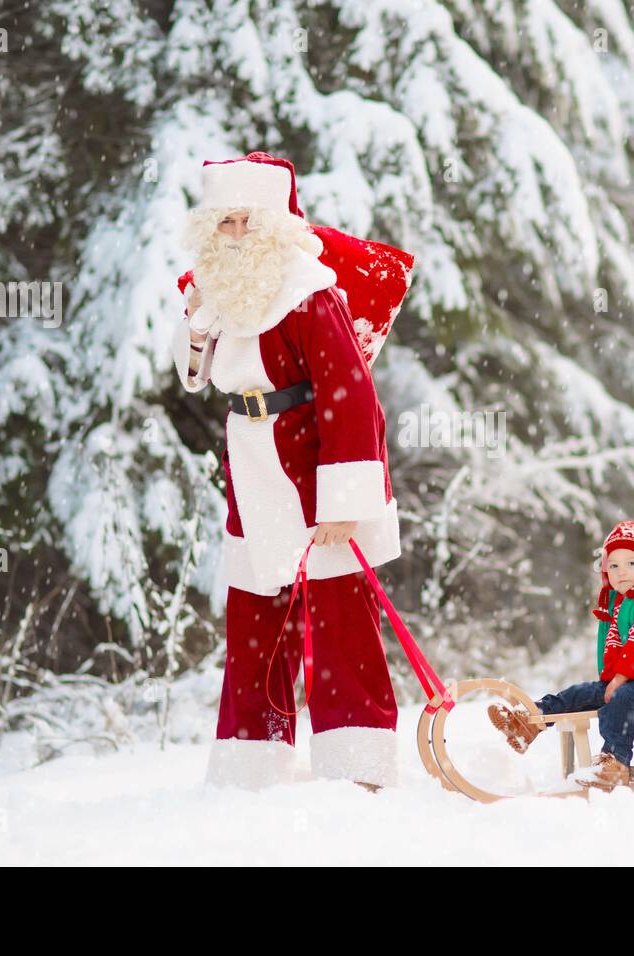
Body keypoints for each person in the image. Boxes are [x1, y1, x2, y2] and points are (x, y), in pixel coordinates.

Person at [172, 152, 415, 791]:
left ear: (274, 222)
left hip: (313, 461)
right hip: (250, 463)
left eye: (246, 222)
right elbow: (195, 374)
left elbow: (351, 394)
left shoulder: (308, 292)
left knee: (339, 614)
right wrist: (196, 325)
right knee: (255, 616)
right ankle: (251, 763)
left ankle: (357, 764)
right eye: (222, 223)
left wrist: (344, 501)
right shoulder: (218, 289)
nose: (234, 236)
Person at [486, 521, 634, 792]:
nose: (622, 572)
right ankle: (530, 721)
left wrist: (617, 681)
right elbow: (616, 644)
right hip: (630, 676)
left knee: (621, 698)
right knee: (579, 693)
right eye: (614, 566)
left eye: (631, 563)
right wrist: (608, 680)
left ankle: (615, 762)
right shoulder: (623, 601)